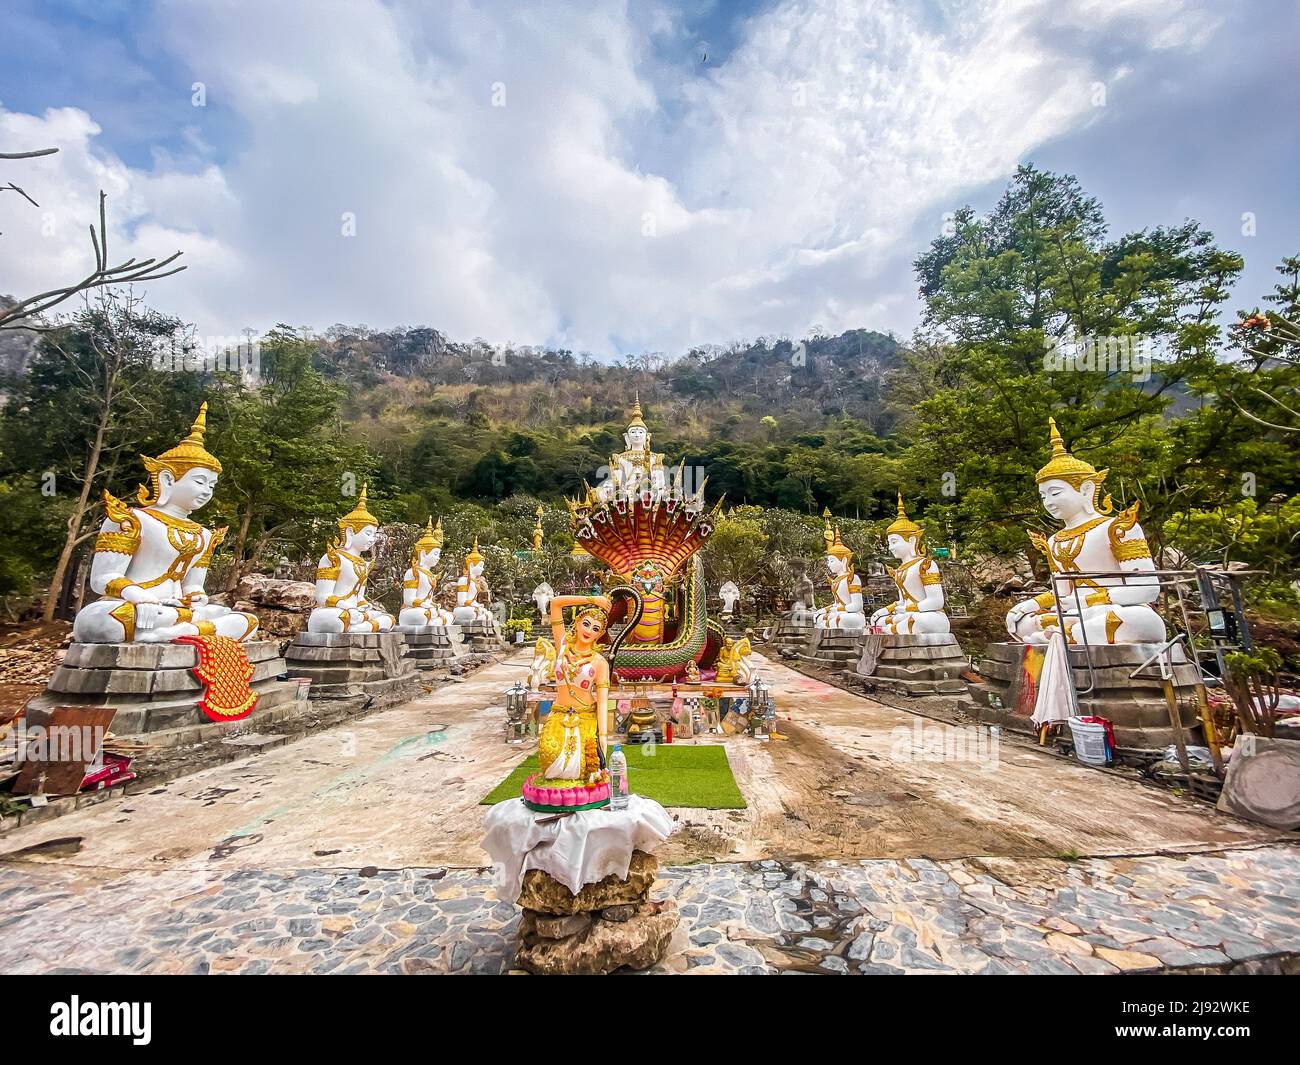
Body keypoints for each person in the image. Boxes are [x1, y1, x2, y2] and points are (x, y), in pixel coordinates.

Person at [537, 594, 614, 785]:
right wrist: (592, 600)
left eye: (596, 628)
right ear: (578, 623)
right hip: (558, 715)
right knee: (549, 759)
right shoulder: (563, 646)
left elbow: (603, 702)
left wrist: (603, 737)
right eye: (586, 623)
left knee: (582, 768)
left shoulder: (599, 662)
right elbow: (555, 603)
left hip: (585, 718)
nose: (589, 630)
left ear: (600, 634)